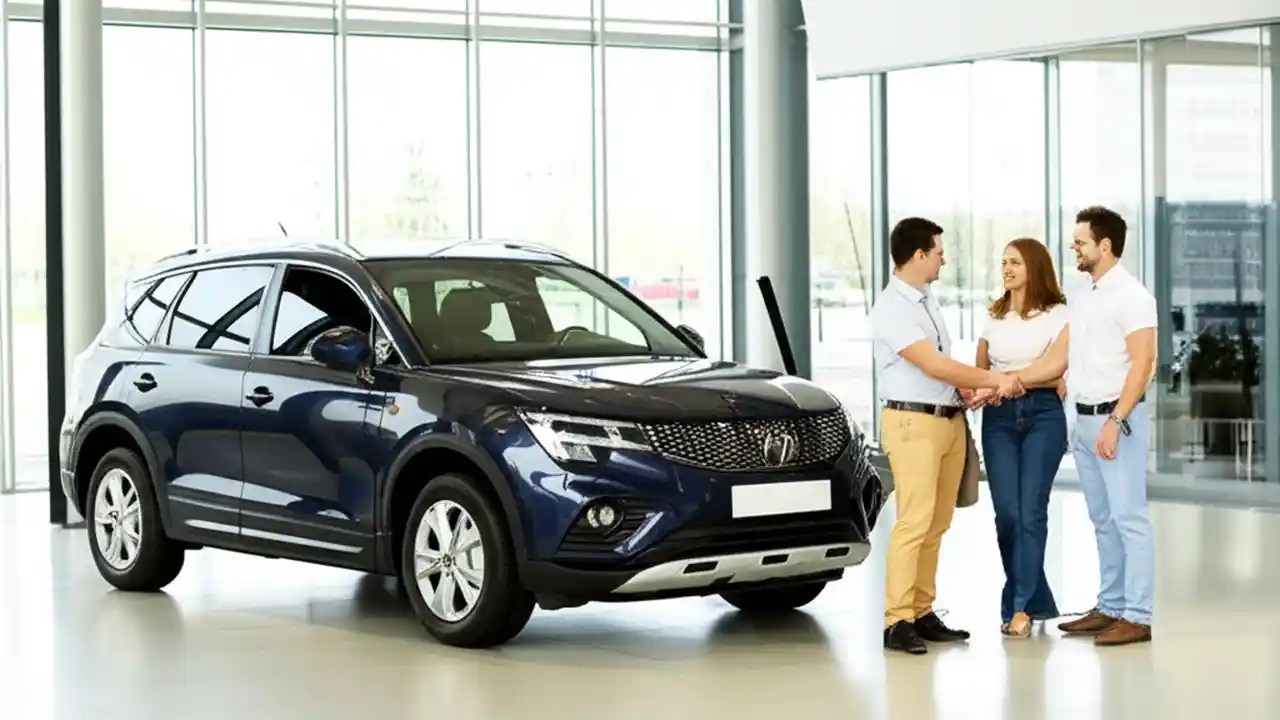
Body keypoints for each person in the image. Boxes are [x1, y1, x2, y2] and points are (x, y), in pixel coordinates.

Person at [870, 217, 1022, 655]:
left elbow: (941, 365)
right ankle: (896, 620)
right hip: (912, 423)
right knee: (914, 521)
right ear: (918, 255)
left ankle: (921, 610)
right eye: (938, 251)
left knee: (938, 522)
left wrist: (967, 387)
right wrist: (995, 379)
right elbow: (930, 364)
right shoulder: (892, 307)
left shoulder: (924, 300)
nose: (944, 257)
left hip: (946, 419)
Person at [1011, 206, 1158, 647]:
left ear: (1105, 246)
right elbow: (1063, 357)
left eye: (1080, 242)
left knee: (1130, 518)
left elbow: (1144, 362)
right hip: (1085, 419)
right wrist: (1014, 381)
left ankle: (1137, 614)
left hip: (1119, 420)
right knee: (1102, 519)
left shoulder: (1132, 296)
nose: (1073, 247)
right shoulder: (1084, 294)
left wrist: (1117, 419)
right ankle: (1111, 606)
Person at [964, 238, 1069, 638]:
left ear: (1035, 268)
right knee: (1007, 513)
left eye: (1016, 263)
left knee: (1031, 511)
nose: (1007, 269)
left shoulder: (1059, 315)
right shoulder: (994, 316)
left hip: (1043, 414)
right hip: (998, 417)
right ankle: (1035, 595)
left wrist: (1017, 381)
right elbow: (981, 370)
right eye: (1004, 262)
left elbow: (1056, 365)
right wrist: (992, 386)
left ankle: (1020, 606)